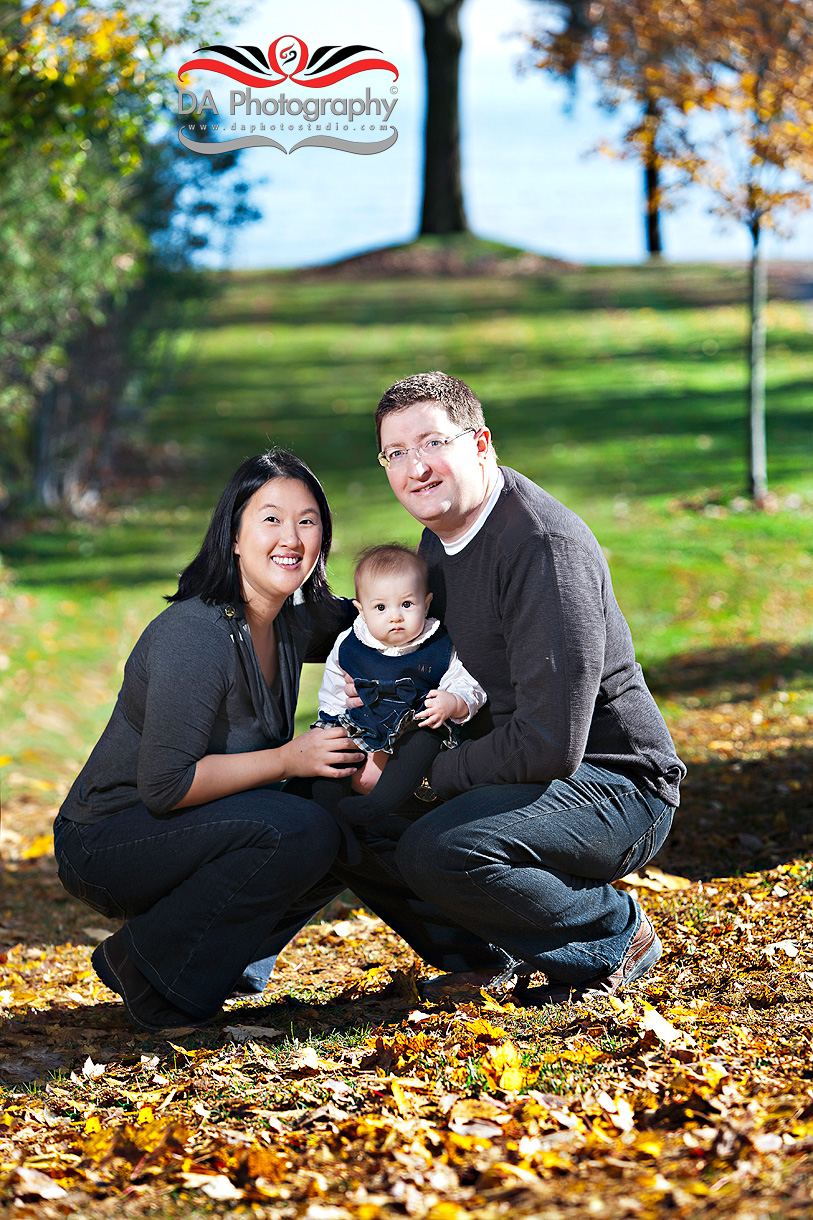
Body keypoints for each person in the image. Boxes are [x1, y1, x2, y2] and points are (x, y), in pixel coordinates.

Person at [261, 372, 686, 1005]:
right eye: (395, 454)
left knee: (442, 849)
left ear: (480, 443)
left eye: (432, 443)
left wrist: (422, 779)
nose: (416, 469)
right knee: (331, 802)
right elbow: (404, 628)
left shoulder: (542, 547)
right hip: (518, 765)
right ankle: (486, 955)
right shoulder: (443, 536)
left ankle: (611, 934)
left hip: (614, 785)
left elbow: (549, 745)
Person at [52, 449, 364, 1031]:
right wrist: (291, 758)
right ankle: (145, 966)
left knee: (339, 811)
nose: (291, 536)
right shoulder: (196, 635)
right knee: (300, 826)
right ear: (234, 536)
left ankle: (218, 964)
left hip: (194, 824)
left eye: (308, 520)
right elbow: (167, 787)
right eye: (270, 518)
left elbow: (391, 618)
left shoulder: (295, 620)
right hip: (108, 839)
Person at [312, 542, 486, 826]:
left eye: (407, 604)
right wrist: (331, 720)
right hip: (363, 721)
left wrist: (453, 701)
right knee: (333, 756)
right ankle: (330, 813)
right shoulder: (350, 644)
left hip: (415, 726)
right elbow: (333, 685)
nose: (395, 616)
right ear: (361, 611)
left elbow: (466, 683)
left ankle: (377, 804)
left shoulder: (438, 644)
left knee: (423, 741)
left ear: (426, 603)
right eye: (380, 607)